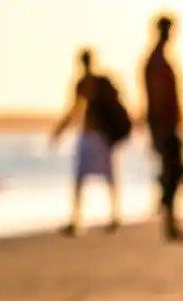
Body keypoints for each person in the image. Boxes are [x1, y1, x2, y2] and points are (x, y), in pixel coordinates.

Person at [52, 49, 121, 236]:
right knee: (103, 177)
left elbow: (74, 110)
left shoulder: (88, 83)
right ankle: (109, 216)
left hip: (94, 135)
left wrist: (60, 129)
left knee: (84, 177)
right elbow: (75, 110)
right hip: (99, 137)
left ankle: (93, 218)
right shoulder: (99, 83)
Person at [144, 14, 183, 242]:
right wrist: (160, 129)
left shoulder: (157, 60)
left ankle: (170, 221)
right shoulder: (156, 62)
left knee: (172, 175)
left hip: (165, 127)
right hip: (164, 128)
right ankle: (168, 223)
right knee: (171, 175)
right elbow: (157, 100)